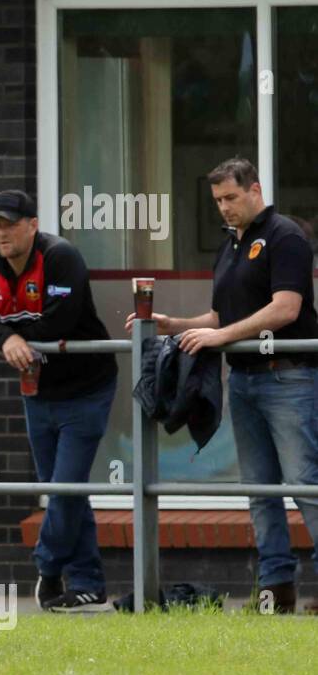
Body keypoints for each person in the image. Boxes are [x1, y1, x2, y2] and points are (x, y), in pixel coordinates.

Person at [127, 158, 318, 615]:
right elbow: (221, 317)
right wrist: (174, 323)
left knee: (305, 483)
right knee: (258, 488)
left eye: (231, 197)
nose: (224, 208)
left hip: (288, 375)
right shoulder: (230, 244)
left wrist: (220, 336)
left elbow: (285, 308)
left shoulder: (285, 235)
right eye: (217, 201)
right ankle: (276, 589)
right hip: (246, 379)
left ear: (255, 189)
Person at [0, 189, 117, 613]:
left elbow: (59, 321)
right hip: (37, 391)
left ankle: (48, 570)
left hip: (86, 388)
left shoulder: (61, 256)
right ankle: (88, 586)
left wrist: (13, 335)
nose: (1, 232)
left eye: (10, 223)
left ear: (33, 225)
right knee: (64, 490)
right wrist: (5, 337)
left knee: (63, 490)